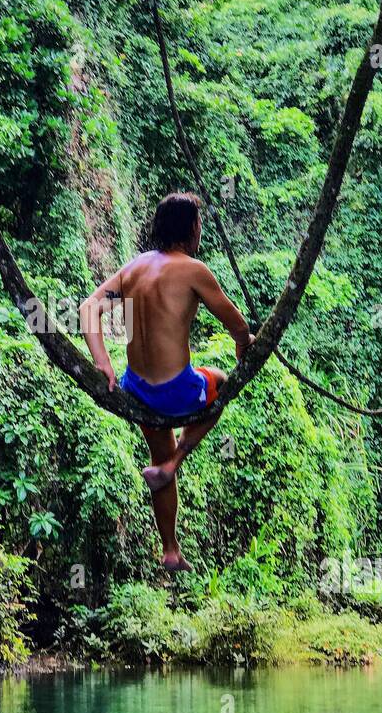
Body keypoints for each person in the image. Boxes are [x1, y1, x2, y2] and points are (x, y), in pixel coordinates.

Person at [80, 192, 253, 572]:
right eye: (199, 225)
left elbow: (87, 307)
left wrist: (103, 364)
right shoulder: (194, 270)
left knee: (156, 463)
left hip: (136, 390)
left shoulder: (135, 267)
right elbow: (236, 323)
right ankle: (176, 461)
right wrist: (244, 344)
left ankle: (170, 548)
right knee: (221, 381)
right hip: (176, 391)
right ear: (192, 228)